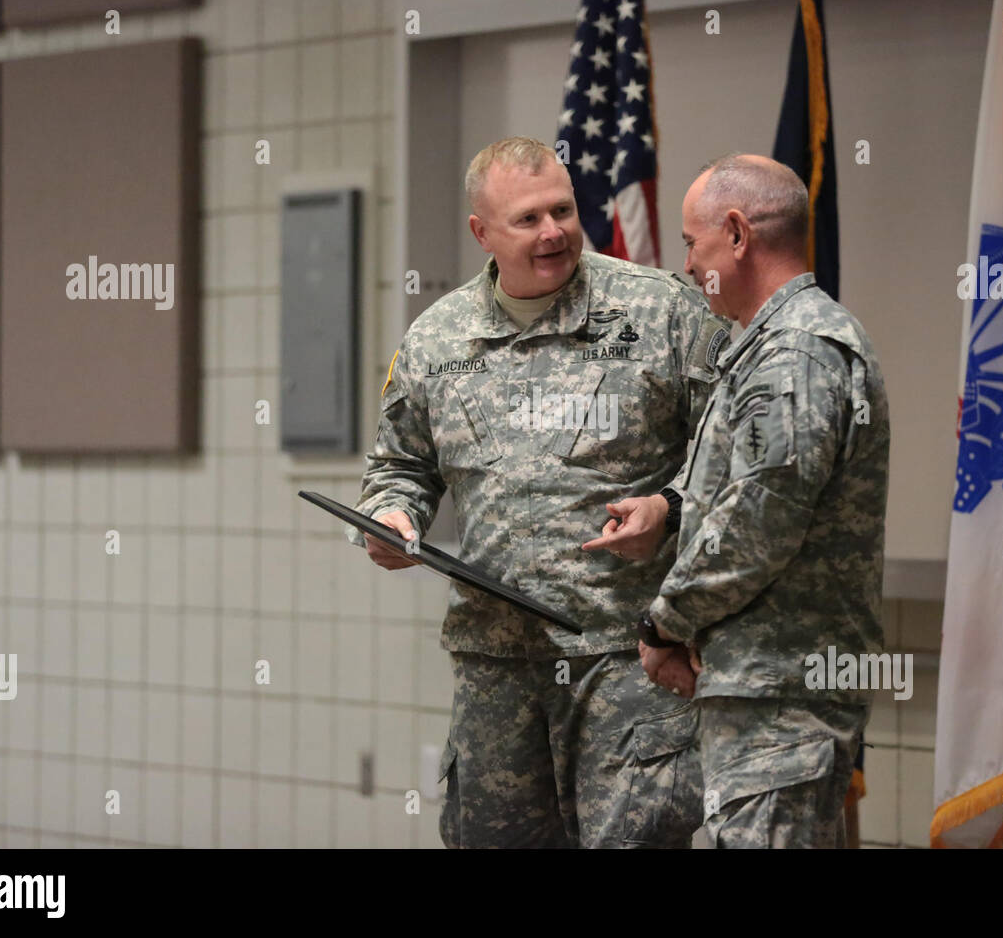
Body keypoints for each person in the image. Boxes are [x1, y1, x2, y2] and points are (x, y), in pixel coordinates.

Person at [349, 137, 729, 848]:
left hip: (627, 657)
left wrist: (669, 507)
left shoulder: (660, 311)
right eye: (528, 219)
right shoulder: (438, 339)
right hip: (498, 666)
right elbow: (400, 464)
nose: (553, 232)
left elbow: (737, 445)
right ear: (482, 233)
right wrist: (391, 513)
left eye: (562, 210)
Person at [588, 154, 890, 848]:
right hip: (762, 697)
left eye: (693, 243)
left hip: (780, 703)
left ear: (736, 233)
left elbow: (759, 520)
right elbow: (740, 493)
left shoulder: (796, 355)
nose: (688, 264)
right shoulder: (764, 347)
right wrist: (667, 509)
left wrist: (663, 623)